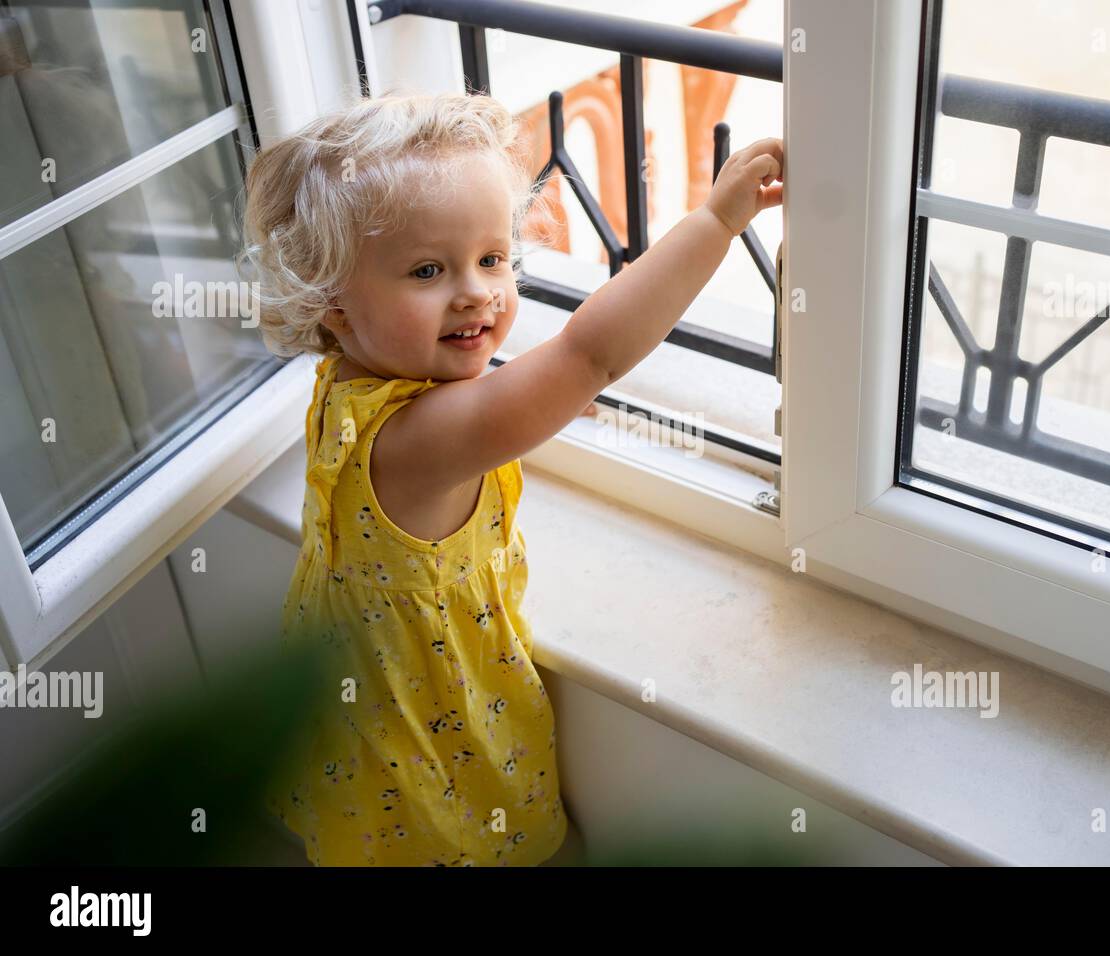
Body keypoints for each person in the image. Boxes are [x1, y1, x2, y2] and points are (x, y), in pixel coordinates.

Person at [237, 89, 782, 865]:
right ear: (332, 303)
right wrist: (716, 223)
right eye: (428, 269)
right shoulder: (419, 440)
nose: (477, 291)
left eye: (494, 257)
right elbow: (588, 356)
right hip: (428, 751)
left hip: (345, 718)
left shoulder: (346, 386)